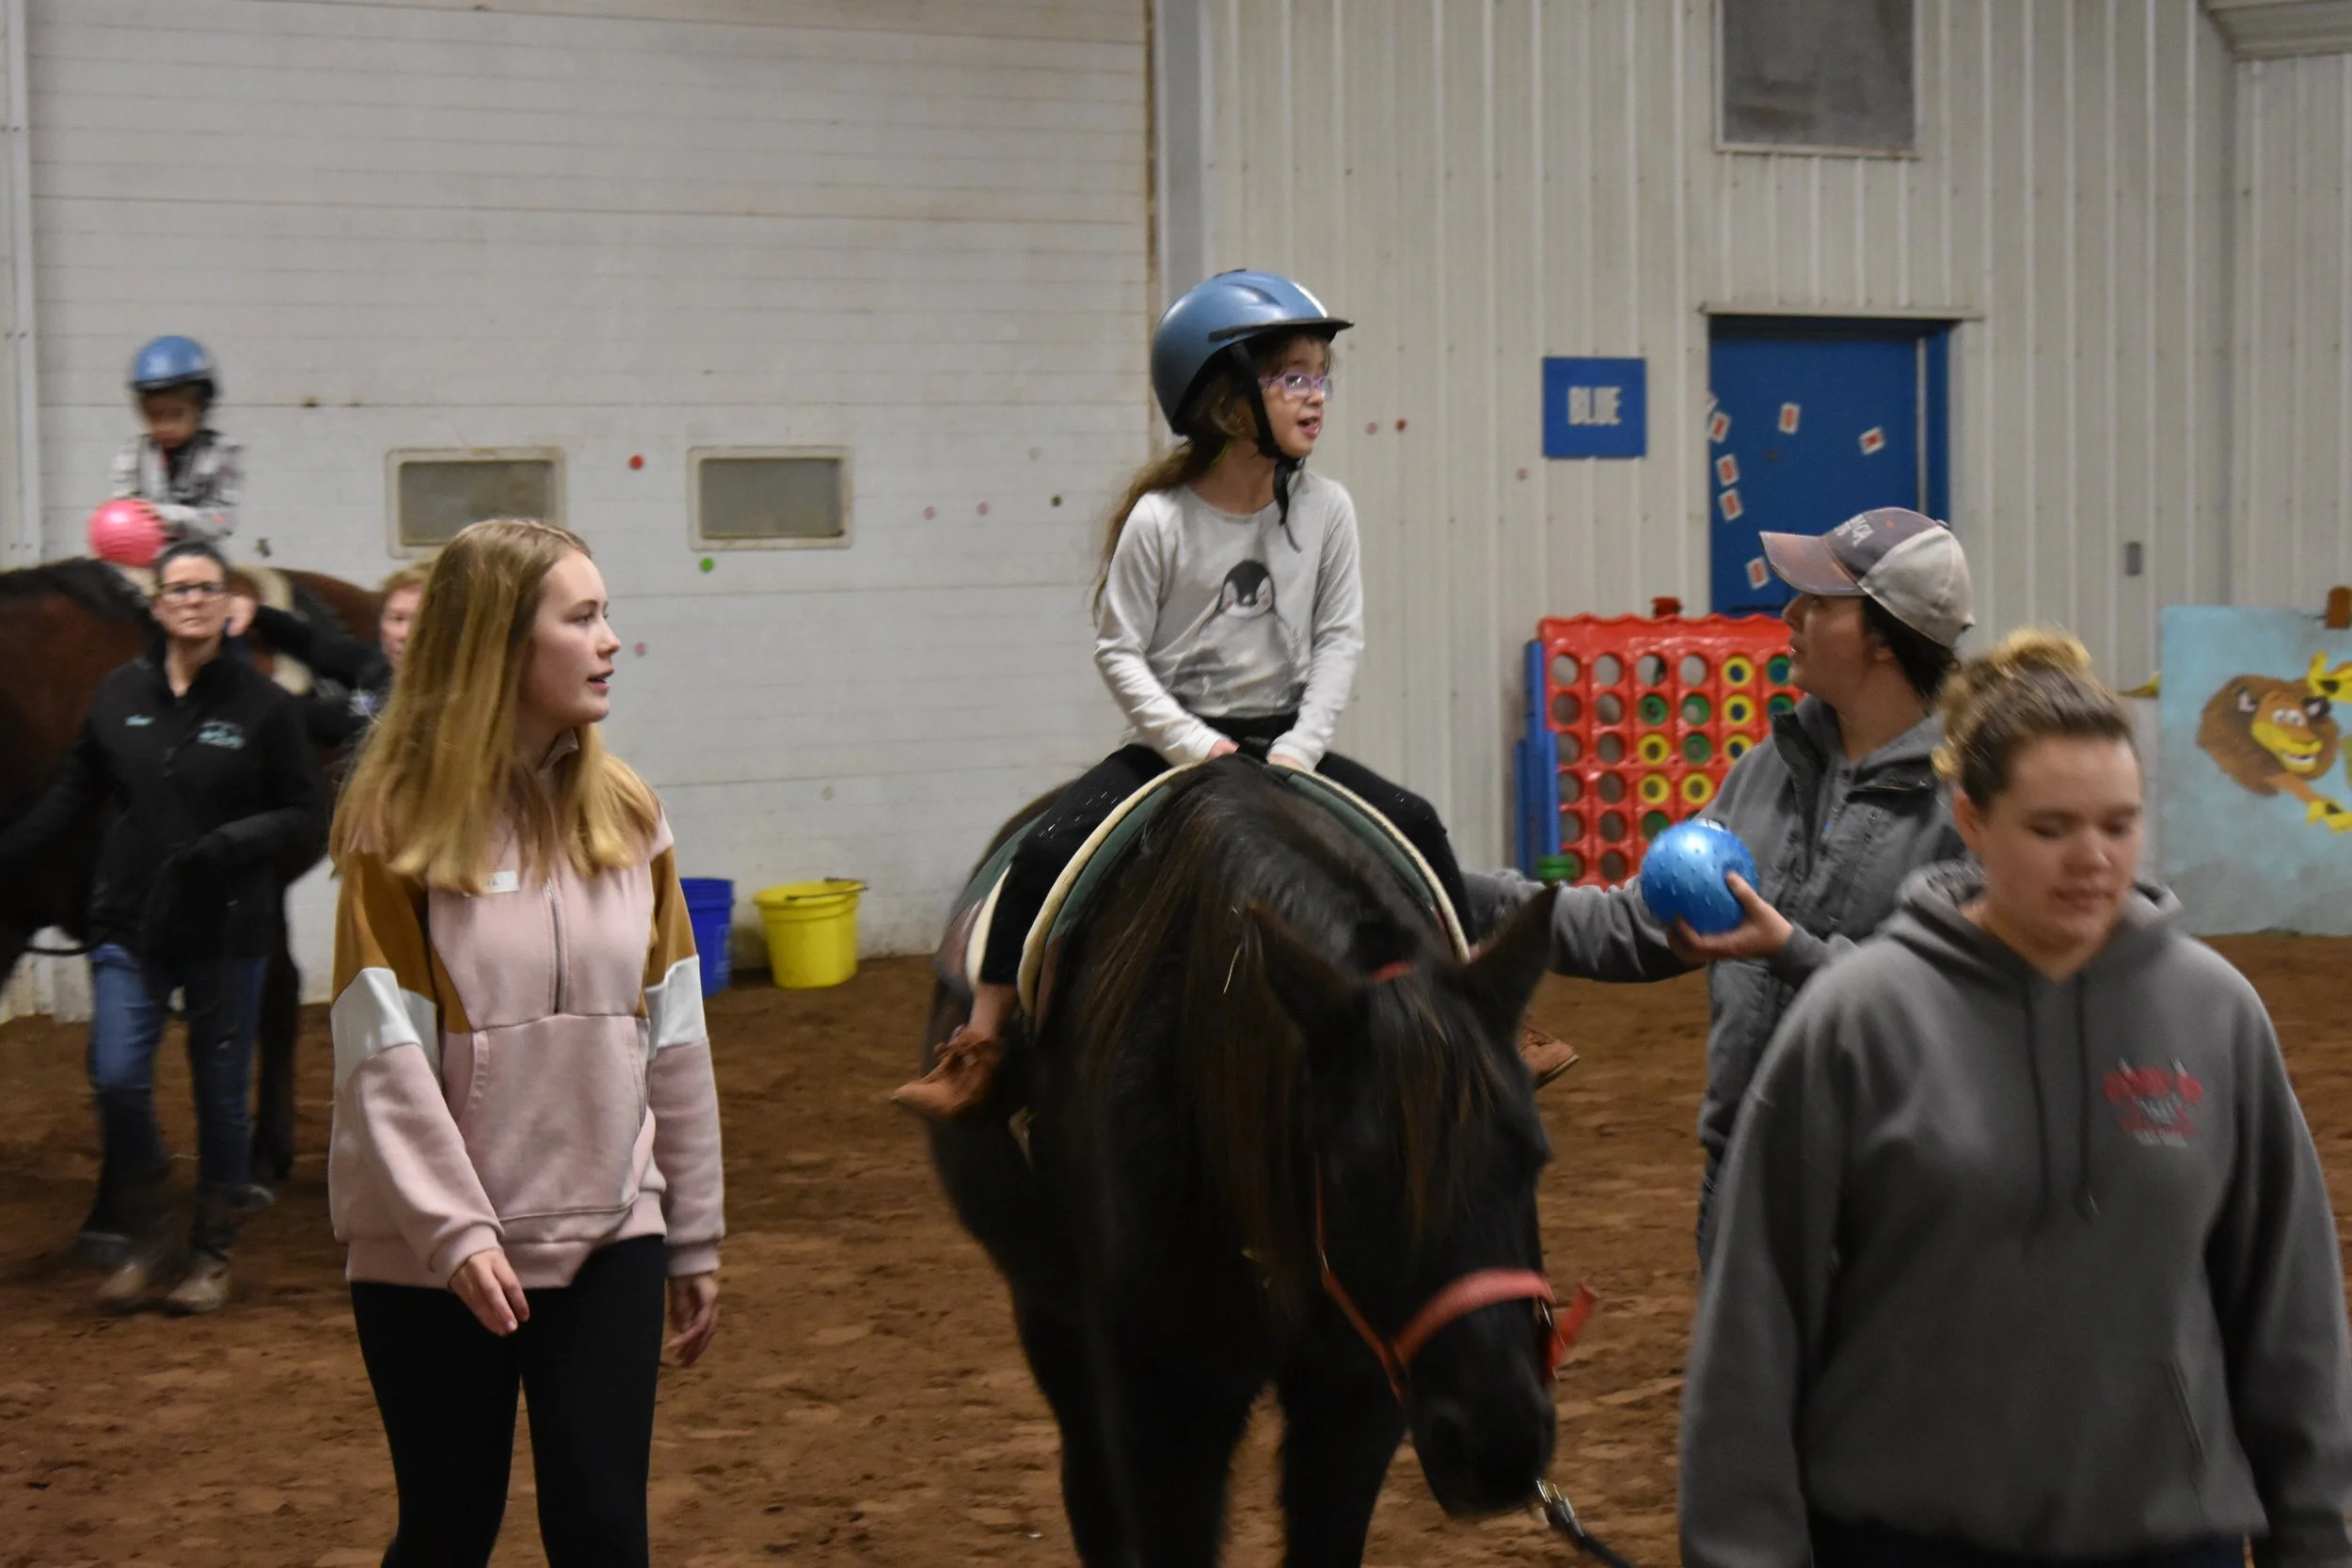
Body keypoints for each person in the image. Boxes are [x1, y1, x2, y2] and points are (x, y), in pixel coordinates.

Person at [1679, 630, 2352, 1568]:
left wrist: (2315, 1544)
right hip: (1902, 1541)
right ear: (1971, 819)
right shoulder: (1857, 1020)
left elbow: (2292, 1325)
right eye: (2050, 827)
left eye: (2117, 824)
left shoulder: (2216, 1016)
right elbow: (1754, 1329)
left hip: (2168, 1540)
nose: (2092, 858)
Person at [894, 268, 1478, 1119]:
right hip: (1174, 744)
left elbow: (1339, 637)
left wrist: (1303, 746)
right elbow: (1119, 650)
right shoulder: (1160, 521)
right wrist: (1190, 743)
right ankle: (982, 1040)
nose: (1317, 398)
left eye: (1322, 377)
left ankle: (1479, 1015)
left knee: (1418, 822)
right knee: (1044, 851)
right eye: (1292, 378)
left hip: (1285, 739)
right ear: (1228, 400)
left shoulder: (1329, 510)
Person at [328, 517, 723, 1567]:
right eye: (583, 617)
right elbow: (382, 1057)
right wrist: (455, 1230)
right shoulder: (395, 825)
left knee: (604, 1529)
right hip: (432, 1256)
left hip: (609, 1234)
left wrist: (694, 1228)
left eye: (607, 615)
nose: (610, 641)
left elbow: (673, 1033)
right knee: (449, 1529)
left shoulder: (631, 814)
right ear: (500, 641)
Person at [1464, 507, 1977, 1252]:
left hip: (1880, 1206)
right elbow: (1636, 925)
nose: (1789, 611)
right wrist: (1450, 883)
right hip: (1739, 1182)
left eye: (1821, 603)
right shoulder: (1772, 767)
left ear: (1883, 641)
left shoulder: (1968, 806)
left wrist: (1789, 948)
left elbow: (1946, 1010)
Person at [0, 538, 326, 1311]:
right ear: (154, 604)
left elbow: (306, 813)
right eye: (176, 590)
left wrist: (234, 844)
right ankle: (149, 1235)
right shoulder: (114, 696)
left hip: (224, 930)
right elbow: (72, 796)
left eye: (204, 589)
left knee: (219, 1101)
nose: (190, 601)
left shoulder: (265, 708)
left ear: (226, 603)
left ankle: (209, 1253)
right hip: (129, 926)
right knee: (116, 1075)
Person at [246, 561, 427, 749]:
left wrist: (251, 705)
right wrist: (255, 612)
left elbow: (344, 721)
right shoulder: (378, 663)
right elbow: (316, 646)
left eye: (420, 620)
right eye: (397, 619)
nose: (404, 634)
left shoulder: (439, 697)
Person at [111, 336, 243, 547]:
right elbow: (124, 503)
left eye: (176, 415)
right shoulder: (132, 452)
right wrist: (109, 520)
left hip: (197, 556)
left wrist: (169, 516)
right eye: (154, 416)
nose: (164, 426)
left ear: (201, 409)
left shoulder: (222, 452)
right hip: (143, 552)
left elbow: (222, 520)